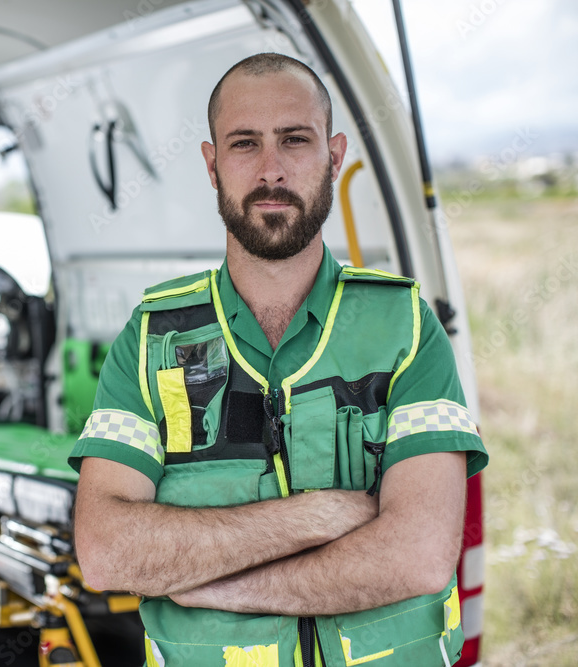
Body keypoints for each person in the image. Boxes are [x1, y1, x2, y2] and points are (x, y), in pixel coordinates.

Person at [68, 53, 488, 667]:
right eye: (245, 144)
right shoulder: (151, 337)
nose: (271, 170)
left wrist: (221, 585)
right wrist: (322, 514)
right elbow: (107, 551)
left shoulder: (405, 326)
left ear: (334, 155)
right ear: (212, 166)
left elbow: (418, 554)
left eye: (295, 140)